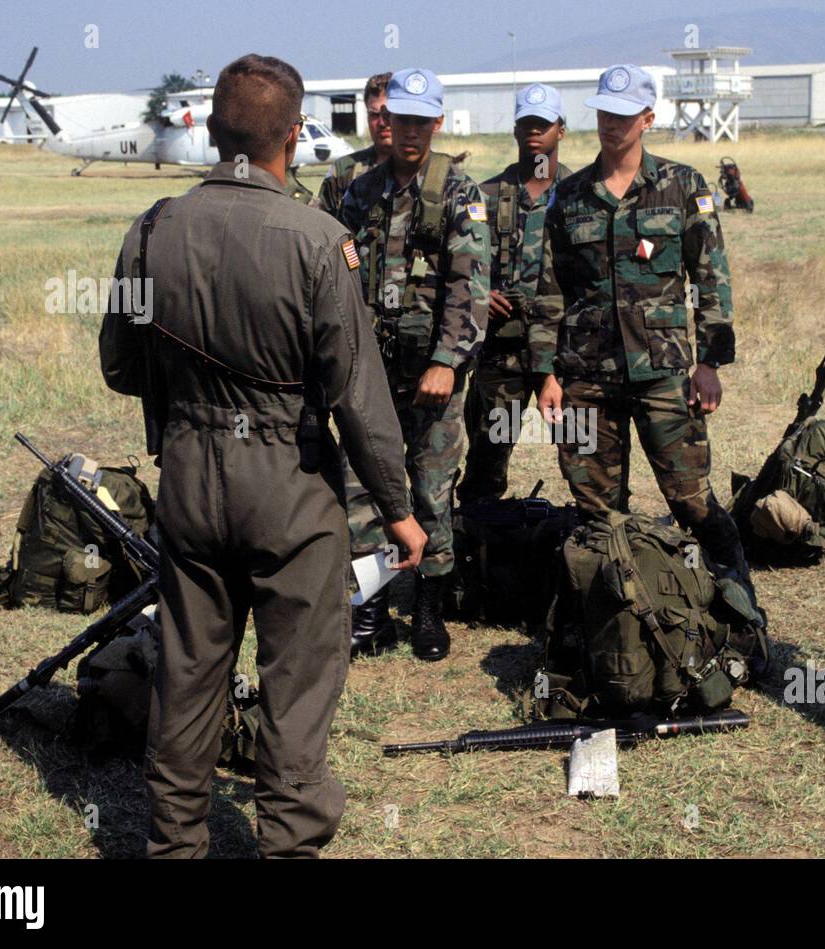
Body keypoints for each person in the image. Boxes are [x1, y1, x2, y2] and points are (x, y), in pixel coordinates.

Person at [99, 54, 425, 857]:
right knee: (298, 690)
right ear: (292, 137)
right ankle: (288, 847)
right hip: (290, 487)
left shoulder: (151, 229)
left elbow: (119, 365)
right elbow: (358, 396)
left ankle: (174, 845)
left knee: (187, 682)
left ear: (213, 134)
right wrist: (400, 511)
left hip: (189, 483)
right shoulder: (319, 241)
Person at [531, 64, 759, 615]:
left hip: (664, 373)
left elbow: (712, 278)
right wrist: (545, 373)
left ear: (648, 119)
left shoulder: (683, 186)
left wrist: (709, 364)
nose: (612, 123)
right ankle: (613, 623)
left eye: (624, 114)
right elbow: (548, 288)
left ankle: (738, 607)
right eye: (605, 113)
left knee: (692, 501)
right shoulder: (570, 196)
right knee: (596, 511)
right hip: (586, 377)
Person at [337, 68, 490, 661]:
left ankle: (428, 605)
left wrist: (448, 362)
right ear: (388, 120)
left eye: (422, 122)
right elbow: (340, 272)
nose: (409, 131)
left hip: (432, 374)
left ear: (436, 123)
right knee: (362, 488)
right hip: (370, 374)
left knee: (430, 488)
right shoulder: (359, 191)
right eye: (401, 119)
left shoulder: (459, 193)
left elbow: (469, 285)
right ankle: (370, 610)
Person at [458, 83, 571, 503]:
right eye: (526, 124)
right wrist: (479, 297)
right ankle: (477, 548)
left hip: (564, 355)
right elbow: (456, 266)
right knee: (487, 456)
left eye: (543, 124)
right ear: (515, 130)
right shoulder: (484, 197)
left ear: (562, 129)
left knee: (583, 454)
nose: (534, 132)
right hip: (499, 353)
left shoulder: (581, 196)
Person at [318, 72, 392, 221]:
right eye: (374, 115)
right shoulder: (343, 170)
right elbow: (322, 229)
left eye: (388, 114)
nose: (382, 123)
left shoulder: (422, 170)